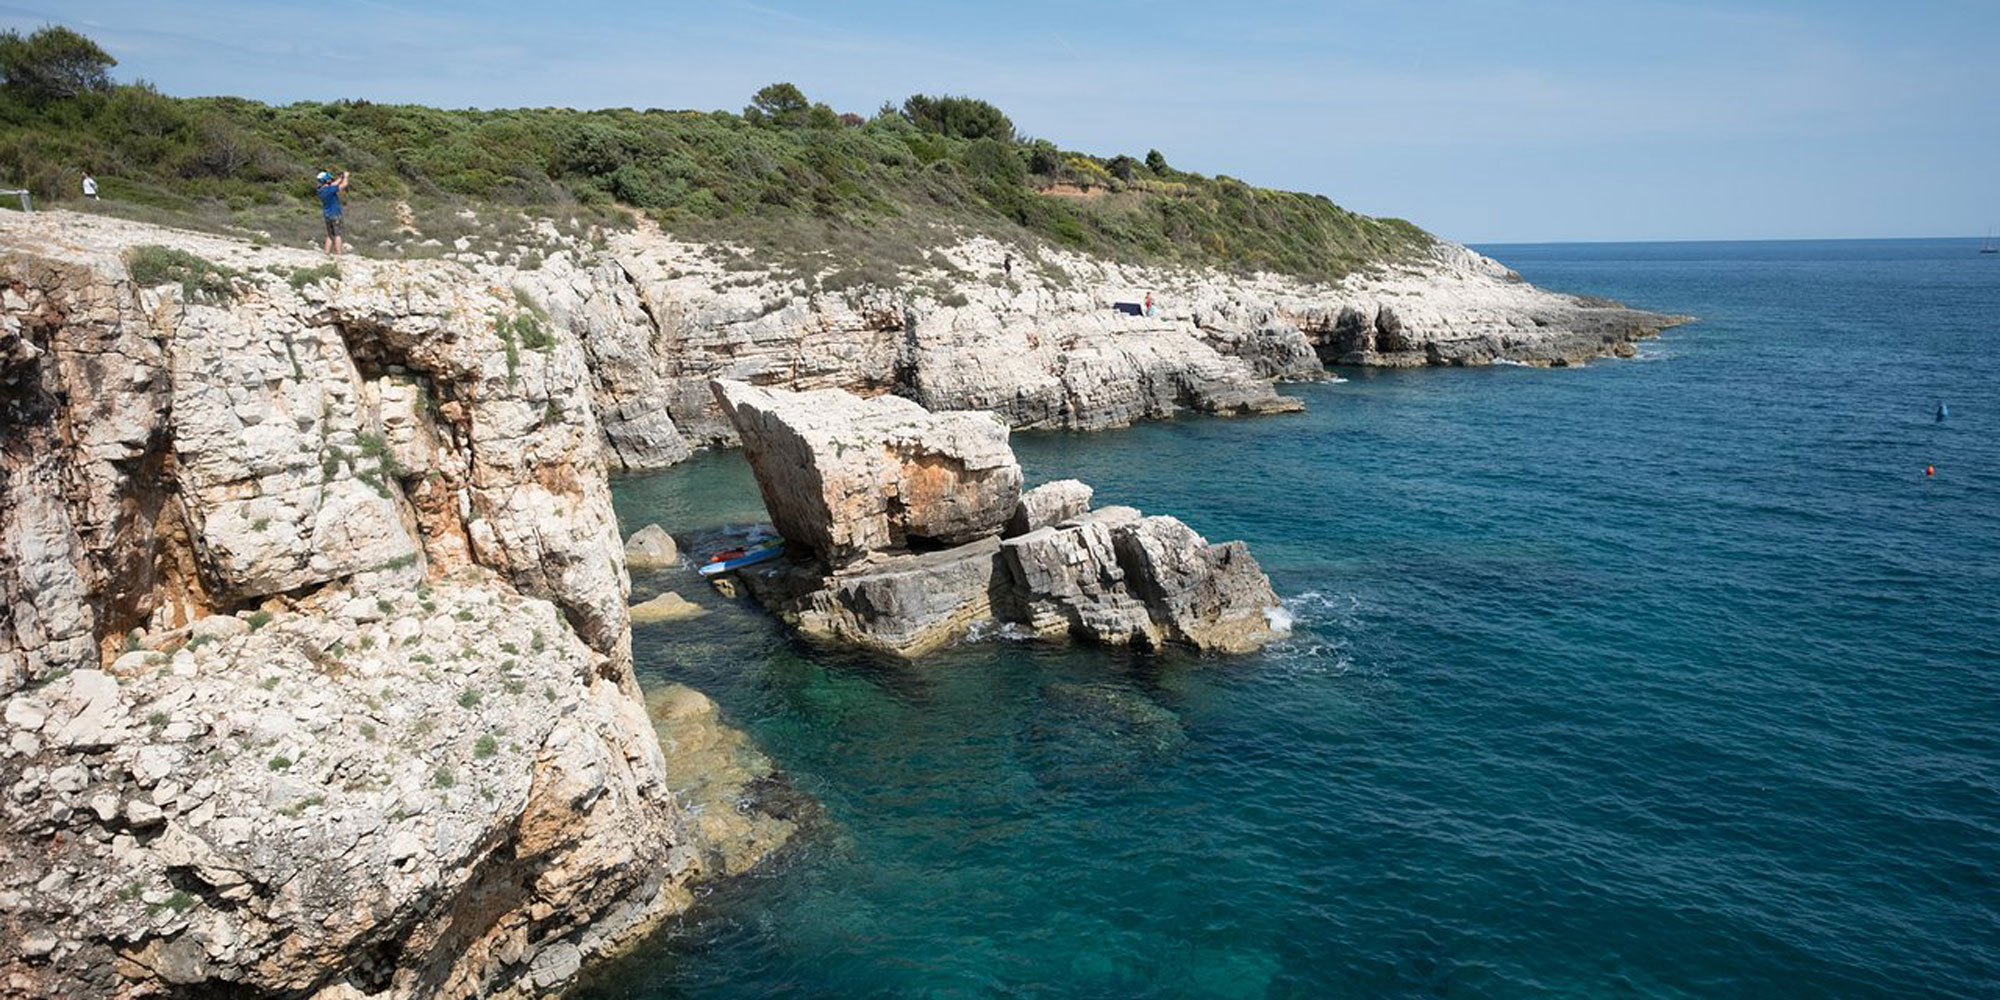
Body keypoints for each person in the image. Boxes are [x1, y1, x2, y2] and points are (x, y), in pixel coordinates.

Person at [316, 170, 349, 255]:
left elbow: (333, 185)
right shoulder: (330, 190)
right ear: (326, 180)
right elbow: (344, 185)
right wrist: (345, 177)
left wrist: (340, 178)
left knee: (330, 234)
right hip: (335, 214)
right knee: (337, 234)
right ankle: (338, 253)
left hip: (327, 215)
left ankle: (326, 252)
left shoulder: (320, 190)